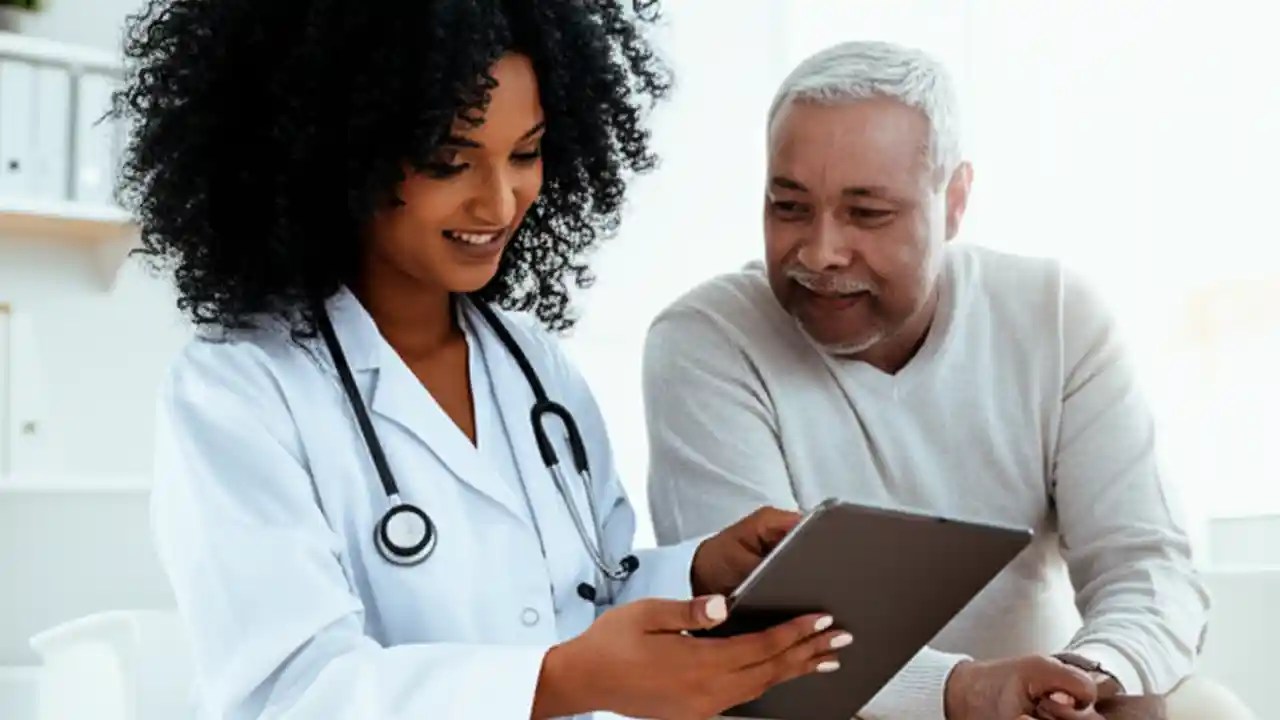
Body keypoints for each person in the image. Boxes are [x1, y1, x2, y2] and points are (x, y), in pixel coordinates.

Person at [114, 2, 856, 718]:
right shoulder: (239, 390)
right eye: (449, 162)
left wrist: (698, 572)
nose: (500, 202)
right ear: (336, 154)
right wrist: (558, 682)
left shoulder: (532, 368)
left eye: (526, 154)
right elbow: (291, 693)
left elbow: (584, 595)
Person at [643, 41, 1255, 720]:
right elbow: (758, 624)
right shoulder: (706, 340)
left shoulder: (1054, 315)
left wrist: (1090, 677)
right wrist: (963, 693)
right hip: (823, 711)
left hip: (1041, 700)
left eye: (867, 213)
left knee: (1208, 709)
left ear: (954, 200)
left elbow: (1147, 565)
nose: (819, 252)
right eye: (789, 207)